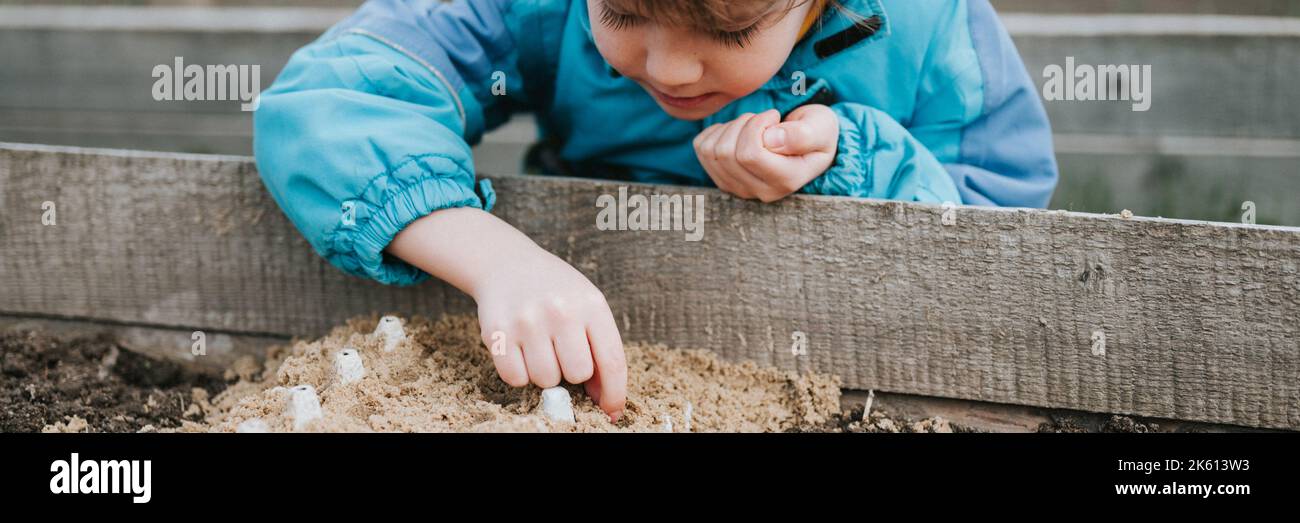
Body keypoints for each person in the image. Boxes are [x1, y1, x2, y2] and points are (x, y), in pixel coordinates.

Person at [253, 0, 1059, 422]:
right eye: (624, 13)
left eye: (730, 29)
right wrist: (498, 259)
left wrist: (856, 156)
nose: (669, 67)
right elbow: (328, 103)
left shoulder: (926, 25)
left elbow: (1004, 224)